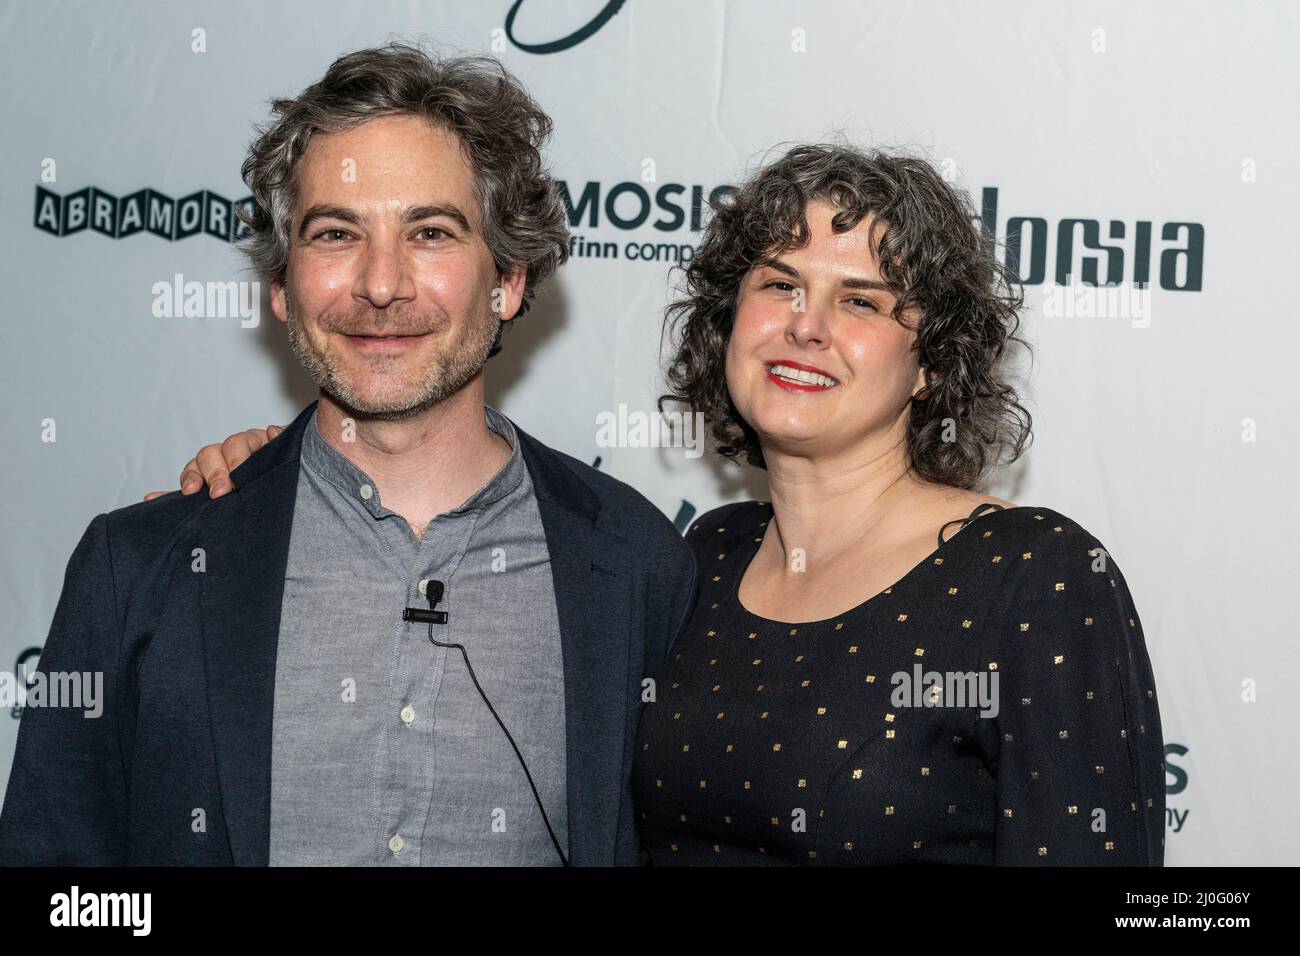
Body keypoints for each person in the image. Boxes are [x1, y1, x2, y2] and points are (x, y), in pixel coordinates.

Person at [149, 142, 1167, 866]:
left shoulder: (1031, 577)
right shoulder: (687, 559)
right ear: (728, 321)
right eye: (777, 285)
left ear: (929, 367)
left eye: (860, 300)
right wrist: (272, 480)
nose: (804, 327)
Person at [0, 43, 695, 867]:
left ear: (508, 278)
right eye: (336, 233)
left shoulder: (635, 561)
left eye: (430, 232)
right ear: (283, 284)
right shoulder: (139, 566)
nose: (380, 284)